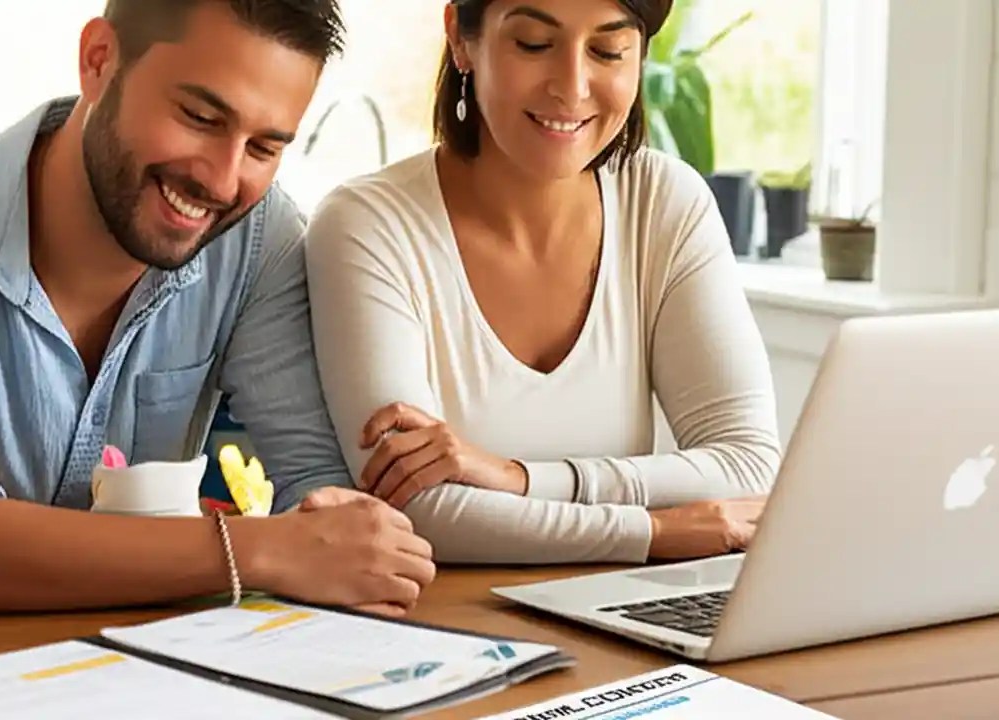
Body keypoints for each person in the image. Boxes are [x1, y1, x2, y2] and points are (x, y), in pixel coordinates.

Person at [0, 0, 435, 618]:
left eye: (263, 149)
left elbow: (332, 510)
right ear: (98, 60)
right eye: (199, 116)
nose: (222, 181)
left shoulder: (257, 242)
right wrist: (258, 551)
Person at [304, 0, 781, 566]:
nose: (572, 88)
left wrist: (517, 478)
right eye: (533, 43)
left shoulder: (664, 203)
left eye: (608, 51)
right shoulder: (369, 224)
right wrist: (652, 531)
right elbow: (419, 506)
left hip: (617, 610)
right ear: (462, 39)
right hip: (447, 622)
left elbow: (749, 465)